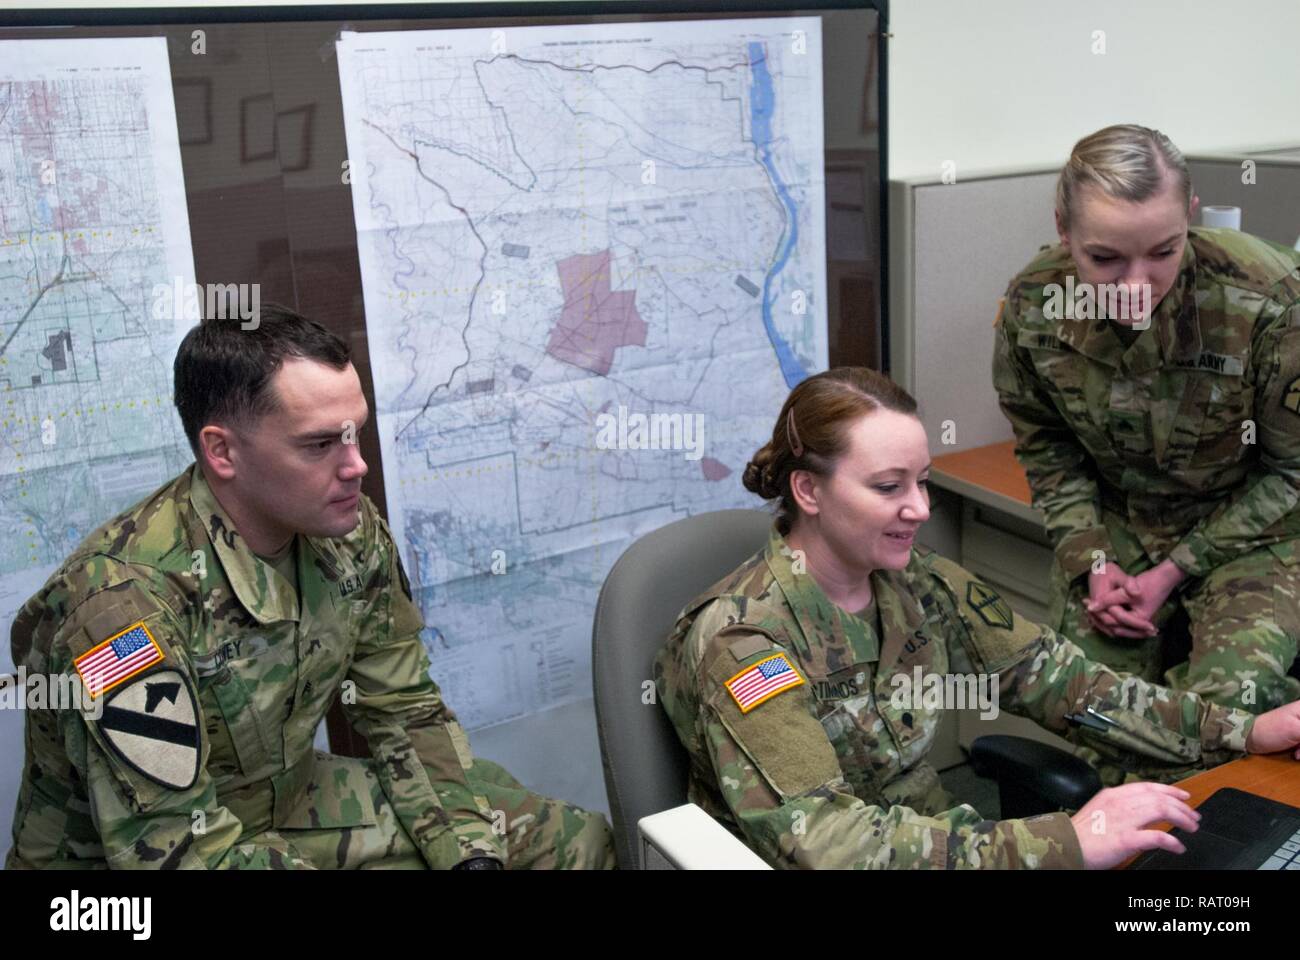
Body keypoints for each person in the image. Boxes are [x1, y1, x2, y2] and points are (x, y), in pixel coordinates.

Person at [7, 304, 615, 870]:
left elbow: (404, 712)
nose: (356, 465)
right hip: (125, 876)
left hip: (284, 804)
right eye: (321, 443)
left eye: (355, 433)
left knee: (572, 842)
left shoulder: (347, 532)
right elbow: (178, 848)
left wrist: (470, 855)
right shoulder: (119, 608)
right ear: (222, 451)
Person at [654, 367, 1300, 869]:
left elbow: (1067, 685)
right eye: (888, 487)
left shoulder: (918, 585)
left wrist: (1243, 731)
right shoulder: (746, 644)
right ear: (809, 490)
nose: (919, 508)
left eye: (923, 482)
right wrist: (1057, 844)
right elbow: (820, 840)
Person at [993, 124, 1300, 735]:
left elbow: (1293, 474)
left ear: (1189, 215)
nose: (1136, 284)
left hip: (1254, 529)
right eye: (1104, 258)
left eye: (1164, 251)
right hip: (1119, 522)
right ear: (1064, 229)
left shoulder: (1270, 301)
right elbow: (1047, 446)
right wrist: (1091, 560)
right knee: (1090, 706)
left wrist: (1176, 568)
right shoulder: (1036, 303)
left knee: (1229, 707)